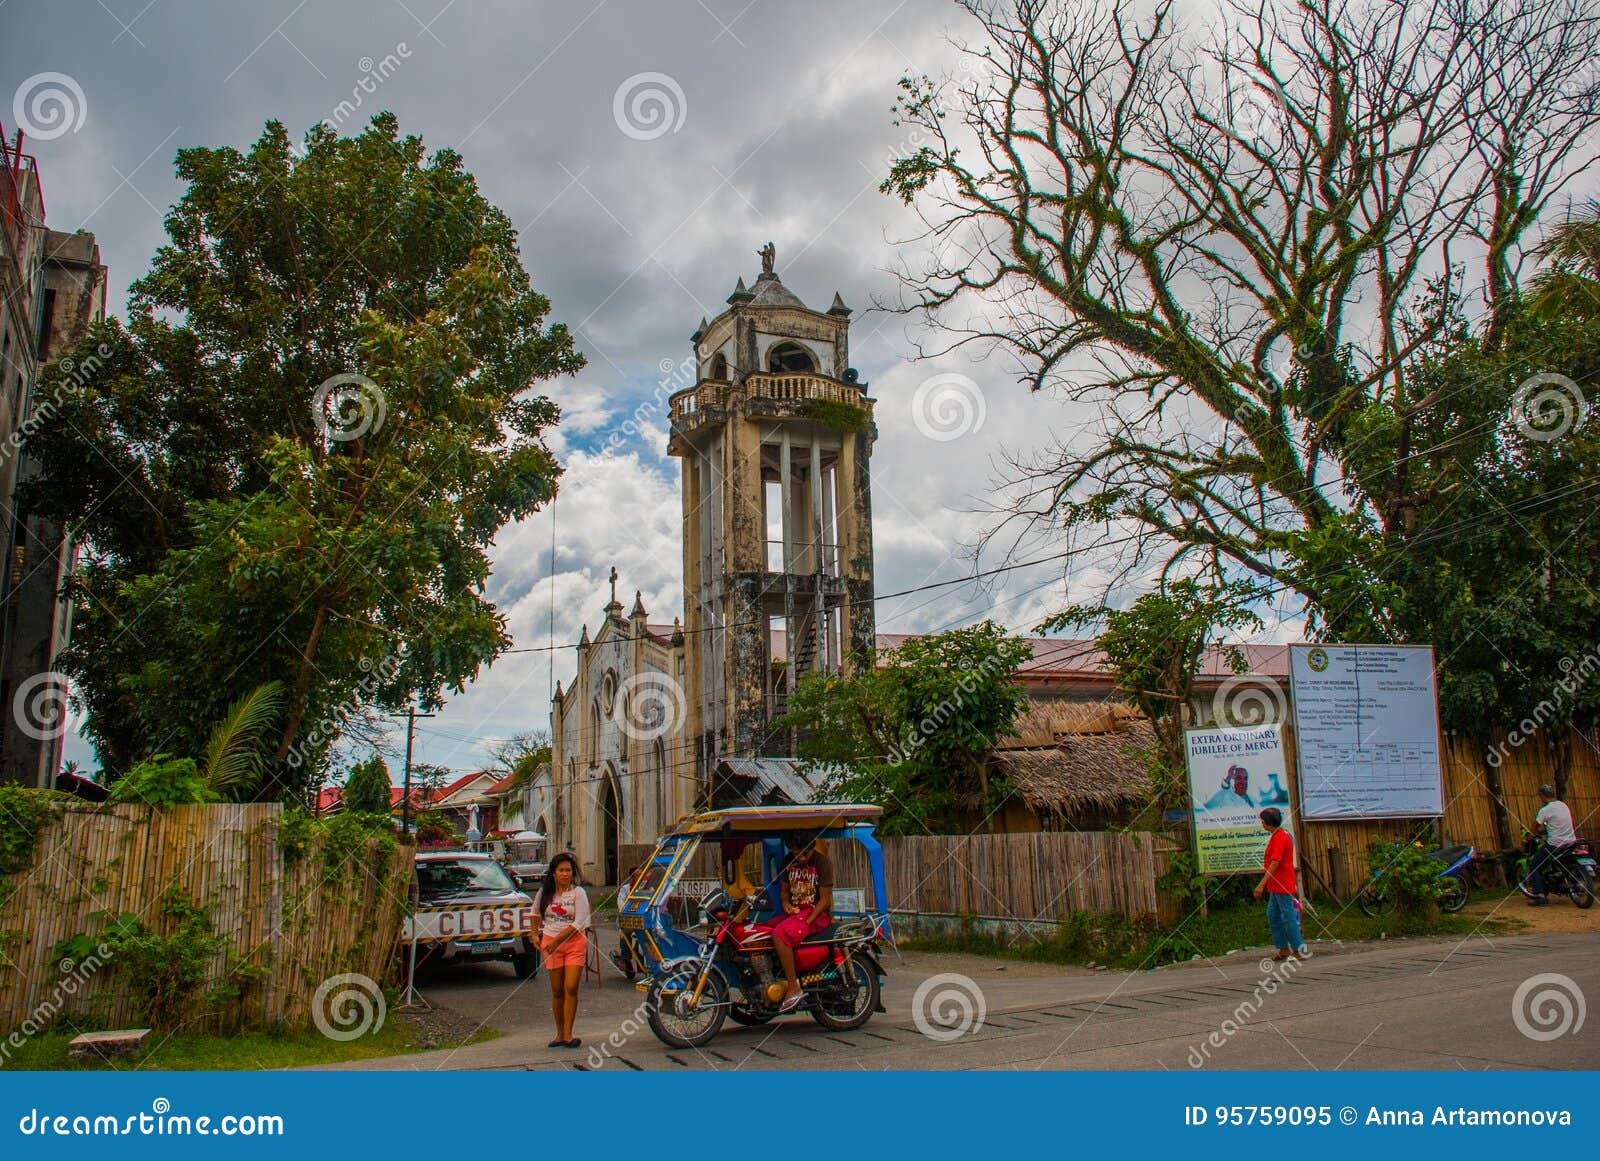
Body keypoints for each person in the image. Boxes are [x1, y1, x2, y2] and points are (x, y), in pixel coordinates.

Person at [766, 832, 833, 1013]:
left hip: (816, 914)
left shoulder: (822, 863)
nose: (800, 858)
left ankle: (794, 987)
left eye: (804, 854)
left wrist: (808, 922)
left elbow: (825, 900)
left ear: (812, 849)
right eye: (796, 853)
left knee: (779, 935)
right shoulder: (789, 860)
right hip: (796, 914)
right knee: (763, 930)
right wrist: (786, 905)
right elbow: (784, 892)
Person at [535, 852, 590, 1047]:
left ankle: (568, 1034)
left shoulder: (578, 893)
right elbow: (534, 914)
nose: (565, 874)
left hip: (574, 943)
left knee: (571, 987)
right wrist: (534, 935)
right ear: (554, 873)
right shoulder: (545, 893)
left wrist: (556, 941)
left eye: (568, 870)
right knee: (557, 990)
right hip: (551, 944)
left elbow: (578, 923)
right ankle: (559, 1034)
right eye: (561, 870)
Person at [1253, 808, 1305, 960]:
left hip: (1282, 884)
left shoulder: (1280, 837)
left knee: (1288, 916)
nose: (1261, 824)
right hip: (1276, 885)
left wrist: (1261, 884)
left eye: (1262, 821)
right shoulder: (1278, 835)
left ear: (1268, 823)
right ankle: (1283, 949)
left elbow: (1275, 862)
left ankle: (1297, 949)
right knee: (1273, 915)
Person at [1525, 784, 1577, 905]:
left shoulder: (1545, 810)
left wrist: (1527, 838)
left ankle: (1540, 895)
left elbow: (1534, 827)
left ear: (1542, 796)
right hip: (1571, 842)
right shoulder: (1563, 805)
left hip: (1555, 844)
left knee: (1534, 865)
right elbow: (1558, 823)